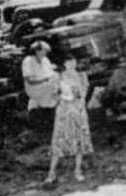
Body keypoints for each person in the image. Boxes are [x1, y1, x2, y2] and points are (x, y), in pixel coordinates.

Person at [45, 55, 93, 186]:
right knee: (59, 140)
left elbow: (83, 95)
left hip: (78, 110)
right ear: (64, 63)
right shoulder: (58, 77)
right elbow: (53, 94)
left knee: (79, 140)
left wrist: (77, 98)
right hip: (63, 111)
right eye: (68, 61)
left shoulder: (82, 76)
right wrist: (61, 93)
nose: (71, 64)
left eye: (73, 61)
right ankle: (51, 173)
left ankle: (77, 170)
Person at [22, 40, 59, 137]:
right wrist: (44, 80)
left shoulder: (45, 60)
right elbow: (30, 80)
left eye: (46, 51)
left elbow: (51, 73)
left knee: (58, 83)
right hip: (33, 88)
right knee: (52, 88)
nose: (46, 53)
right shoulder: (28, 61)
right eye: (44, 50)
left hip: (46, 85)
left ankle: (53, 116)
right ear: (37, 51)